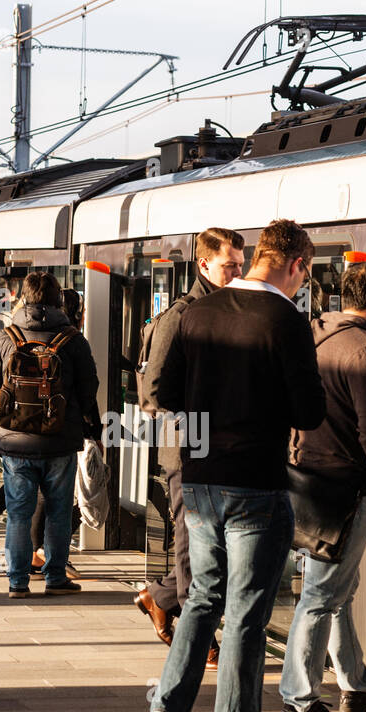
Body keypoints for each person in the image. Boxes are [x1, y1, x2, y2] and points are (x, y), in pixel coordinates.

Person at [143, 218, 325, 712]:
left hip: (198, 482)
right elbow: (309, 412)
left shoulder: (194, 312)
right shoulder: (286, 321)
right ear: (295, 266)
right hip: (256, 486)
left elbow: (163, 391)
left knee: (201, 599)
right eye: (305, 276)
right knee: (245, 614)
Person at [279, 261, 366, 712]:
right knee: (321, 595)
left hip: (303, 479)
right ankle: (299, 702)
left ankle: (356, 682)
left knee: (336, 590)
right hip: (345, 488)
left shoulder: (314, 334)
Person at [133, 227, 245, 670]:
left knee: (221, 547)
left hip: (227, 450)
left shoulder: (234, 309)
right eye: (230, 265)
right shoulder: (181, 316)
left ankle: (157, 595)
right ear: (204, 265)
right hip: (188, 450)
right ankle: (195, 633)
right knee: (190, 542)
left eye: (241, 264)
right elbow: (152, 392)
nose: (238, 272)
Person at [0, 271, 100, 598]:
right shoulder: (73, 339)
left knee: (19, 513)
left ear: (25, 298)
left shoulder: (7, 337)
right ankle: (54, 577)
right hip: (60, 440)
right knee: (59, 511)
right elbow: (89, 389)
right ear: (58, 300)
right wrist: (68, 415)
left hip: (15, 441)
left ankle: (17, 582)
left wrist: (13, 415)